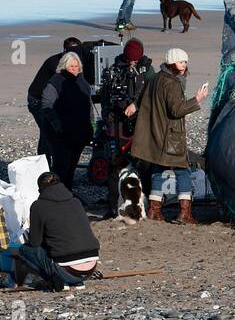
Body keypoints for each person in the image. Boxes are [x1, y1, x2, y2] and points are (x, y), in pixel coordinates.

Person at [131, 47, 209, 224]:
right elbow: (176, 110)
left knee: (158, 171)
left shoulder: (156, 78)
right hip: (170, 136)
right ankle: (185, 213)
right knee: (183, 171)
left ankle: (154, 210)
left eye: (185, 62)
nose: (184, 65)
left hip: (156, 135)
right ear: (172, 62)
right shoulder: (171, 83)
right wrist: (197, 99)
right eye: (181, 62)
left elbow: (146, 102)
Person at [14, 172, 100, 291]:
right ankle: (77, 282)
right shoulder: (76, 202)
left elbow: (34, 242)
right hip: (91, 267)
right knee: (63, 248)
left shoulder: (38, 206)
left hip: (67, 270)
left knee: (24, 250)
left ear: (41, 189)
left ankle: (57, 279)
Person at [97, 37, 154, 215]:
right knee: (115, 165)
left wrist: (136, 104)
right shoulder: (114, 70)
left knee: (144, 164)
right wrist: (107, 114)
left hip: (141, 123)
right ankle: (113, 206)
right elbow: (105, 95)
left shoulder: (148, 70)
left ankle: (147, 204)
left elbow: (151, 94)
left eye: (135, 60)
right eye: (129, 60)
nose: (132, 63)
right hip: (117, 123)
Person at [40, 52, 93, 190]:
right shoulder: (55, 82)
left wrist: (91, 127)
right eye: (71, 67)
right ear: (64, 66)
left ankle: (67, 193)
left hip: (79, 133)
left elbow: (89, 107)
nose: (74, 69)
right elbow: (46, 106)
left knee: (72, 166)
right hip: (60, 134)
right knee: (61, 166)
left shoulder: (83, 83)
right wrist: (58, 127)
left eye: (76, 66)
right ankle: (56, 194)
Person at [27, 37, 82, 163]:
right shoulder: (55, 64)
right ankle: (44, 166)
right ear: (64, 52)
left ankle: (48, 164)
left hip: (50, 100)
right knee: (47, 133)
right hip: (37, 100)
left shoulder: (70, 62)